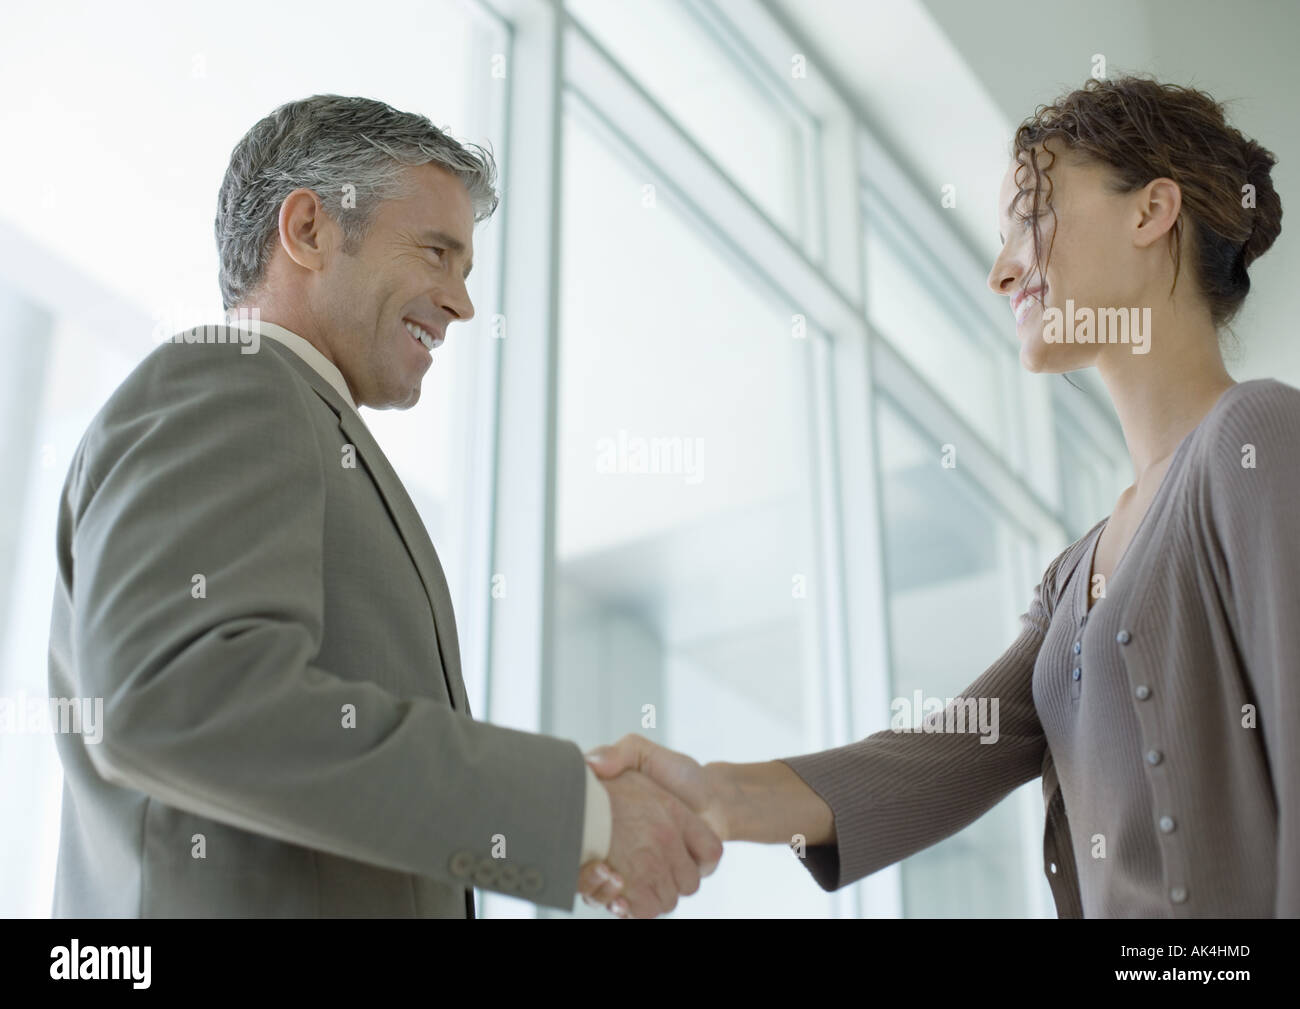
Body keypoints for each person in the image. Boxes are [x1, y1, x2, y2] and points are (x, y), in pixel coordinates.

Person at [578, 74, 1295, 918]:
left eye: (1031, 218)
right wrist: (715, 795)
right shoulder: (1074, 574)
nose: (1002, 270)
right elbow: (942, 759)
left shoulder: (1257, 437)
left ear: (1152, 211)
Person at [47, 94, 720, 918]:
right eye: (437, 253)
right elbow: (178, 698)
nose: (461, 303)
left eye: (465, 271)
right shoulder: (231, 382)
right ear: (308, 230)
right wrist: (580, 817)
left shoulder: (300, 427)